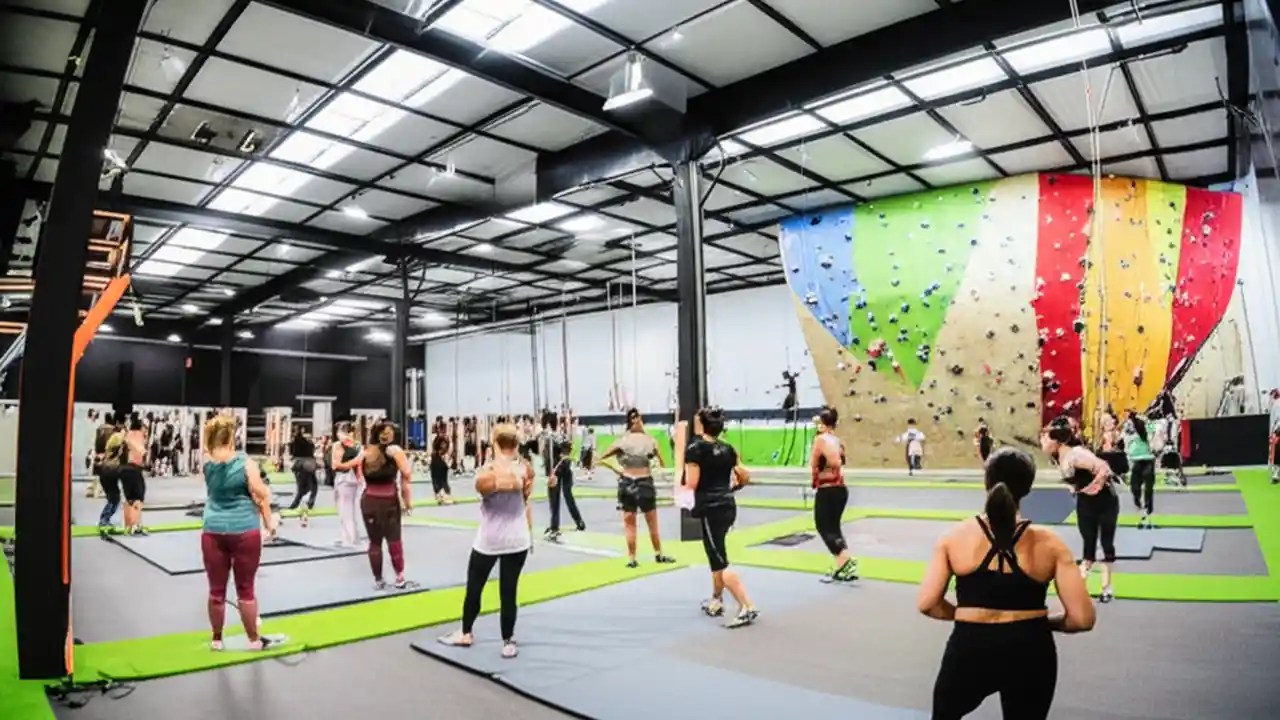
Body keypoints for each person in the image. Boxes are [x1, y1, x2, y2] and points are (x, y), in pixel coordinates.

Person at [918, 447, 1096, 719]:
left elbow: (927, 603)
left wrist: (968, 615)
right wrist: (1042, 622)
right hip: (1031, 647)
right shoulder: (1050, 544)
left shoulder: (954, 538)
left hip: (970, 646)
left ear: (986, 482)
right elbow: (1082, 619)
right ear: (1027, 488)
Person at [438, 423, 534, 658]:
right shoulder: (524, 469)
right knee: (508, 591)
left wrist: (504, 479)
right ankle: (507, 641)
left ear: (494, 443)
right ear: (516, 444)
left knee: (476, 587)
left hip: (492, 539)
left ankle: (466, 632)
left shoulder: (490, 470)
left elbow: (491, 486)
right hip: (517, 539)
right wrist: (530, 535)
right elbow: (522, 497)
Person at [200, 415, 277, 652]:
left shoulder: (207, 463)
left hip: (212, 530)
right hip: (244, 530)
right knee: (246, 589)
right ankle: (254, 640)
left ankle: (216, 639)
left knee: (216, 590)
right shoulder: (246, 462)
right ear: (233, 436)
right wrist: (269, 521)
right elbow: (260, 494)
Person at [686, 407, 759, 628]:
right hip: (727, 505)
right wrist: (733, 488)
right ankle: (716, 600)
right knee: (716, 552)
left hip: (711, 508)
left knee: (720, 560)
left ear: (701, 425)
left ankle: (747, 605)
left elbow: (691, 483)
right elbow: (744, 475)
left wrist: (680, 486)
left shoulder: (695, 449)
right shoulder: (728, 449)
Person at [1041, 424, 1118, 603]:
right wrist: (1076, 488)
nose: (1042, 442)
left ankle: (1106, 588)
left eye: (1045, 438)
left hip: (1105, 501)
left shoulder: (1076, 455)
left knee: (1106, 543)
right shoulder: (1058, 457)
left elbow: (1104, 467)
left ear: (1057, 441)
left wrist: (1096, 485)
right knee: (1088, 544)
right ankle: (1079, 589)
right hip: (1085, 502)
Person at [600, 408, 677, 568]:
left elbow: (601, 458)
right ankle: (656, 555)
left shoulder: (624, 440)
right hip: (642, 482)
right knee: (648, 521)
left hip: (629, 481)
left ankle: (633, 558)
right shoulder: (648, 440)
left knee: (633, 522)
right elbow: (662, 462)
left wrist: (617, 467)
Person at [359, 421, 414, 589]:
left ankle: (379, 579)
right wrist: (408, 503)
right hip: (388, 500)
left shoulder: (366, 452)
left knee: (375, 542)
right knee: (394, 540)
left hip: (369, 499)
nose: (387, 435)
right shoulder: (395, 452)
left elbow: (359, 474)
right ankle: (399, 576)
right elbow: (406, 475)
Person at [811, 407, 857, 583]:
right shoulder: (837, 441)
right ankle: (842, 566)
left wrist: (817, 473)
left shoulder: (821, 440)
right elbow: (840, 460)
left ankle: (846, 559)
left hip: (828, 490)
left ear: (823, 424)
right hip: (839, 490)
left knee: (823, 527)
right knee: (834, 528)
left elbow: (827, 462)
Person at [545, 434, 584, 540]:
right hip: (561, 469)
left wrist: (551, 473)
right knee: (565, 496)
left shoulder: (550, 440)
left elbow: (550, 460)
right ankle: (577, 521)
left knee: (556, 499)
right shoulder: (554, 439)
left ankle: (555, 527)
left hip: (559, 470)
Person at [331, 422, 363, 548]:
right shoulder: (358, 446)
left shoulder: (338, 445)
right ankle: (353, 537)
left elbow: (336, 465)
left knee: (345, 510)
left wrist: (355, 462)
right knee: (352, 510)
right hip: (354, 479)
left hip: (344, 479)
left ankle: (349, 539)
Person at [1123, 410, 1156, 528]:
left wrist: (1145, 419)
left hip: (1148, 459)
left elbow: (1152, 430)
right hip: (1136, 460)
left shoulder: (1144, 426)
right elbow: (1125, 439)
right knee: (1134, 487)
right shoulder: (1127, 426)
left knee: (1148, 488)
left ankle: (1148, 512)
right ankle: (1140, 504)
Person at [120, 415, 149, 535]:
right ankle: (135, 525)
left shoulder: (126, 434)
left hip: (123, 469)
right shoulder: (139, 435)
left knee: (129, 499)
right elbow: (142, 451)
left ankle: (128, 526)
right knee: (138, 497)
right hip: (134, 468)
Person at [97, 415, 125, 532]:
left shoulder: (112, 437)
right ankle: (104, 520)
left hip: (106, 470)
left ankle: (105, 519)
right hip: (110, 471)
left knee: (113, 498)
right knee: (114, 498)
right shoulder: (117, 437)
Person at [287, 427, 318, 526]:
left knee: (300, 485)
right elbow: (311, 449)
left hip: (299, 463)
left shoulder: (294, 442)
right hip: (309, 462)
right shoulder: (308, 442)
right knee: (313, 484)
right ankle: (309, 501)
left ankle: (296, 503)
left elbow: (292, 453)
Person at [430, 430, 453, 505]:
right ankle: (439, 493)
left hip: (444, 482)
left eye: (445, 444)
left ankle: (442, 493)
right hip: (438, 483)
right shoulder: (434, 456)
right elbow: (434, 476)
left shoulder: (446, 455)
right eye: (442, 443)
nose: (444, 445)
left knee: (448, 498)